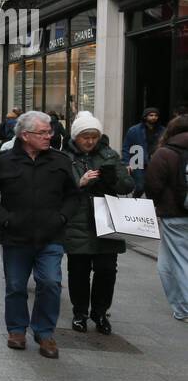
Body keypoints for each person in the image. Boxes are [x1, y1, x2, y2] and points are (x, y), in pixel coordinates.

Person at [0, 111, 82, 359]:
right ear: (25, 135)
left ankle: (44, 332)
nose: (50, 136)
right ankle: (16, 330)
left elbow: (73, 196)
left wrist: (62, 218)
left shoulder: (60, 161)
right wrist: (5, 219)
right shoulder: (2, 162)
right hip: (15, 238)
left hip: (51, 237)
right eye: (44, 132)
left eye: (50, 131)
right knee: (16, 286)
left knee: (50, 283)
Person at [62, 112, 133, 335]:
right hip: (78, 221)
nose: (90, 141)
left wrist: (115, 179)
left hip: (107, 221)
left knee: (106, 270)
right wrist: (79, 183)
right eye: (85, 136)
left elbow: (128, 185)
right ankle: (80, 312)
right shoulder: (65, 158)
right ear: (76, 137)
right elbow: (57, 188)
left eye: (94, 136)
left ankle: (100, 312)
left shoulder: (110, 155)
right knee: (78, 271)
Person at [145, 113, 188, 323]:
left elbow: (153, 185)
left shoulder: (165, 153)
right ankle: (180, 308)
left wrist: (157, 204)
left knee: (180, 261)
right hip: (178, 215)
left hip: (174, 216)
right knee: (166, 261)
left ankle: (185, 308)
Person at [123, 108, 165, 198]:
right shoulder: (134, 130)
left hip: (154, 163)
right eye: (151, 115)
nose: (154, 117)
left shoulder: (163, 131)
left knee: (153, 188)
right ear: (145, 117)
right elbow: (126, 147)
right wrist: (126, 163)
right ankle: (133, 204)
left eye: (156, 115)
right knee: (140, 187)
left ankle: (149, 208)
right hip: (138, 162)